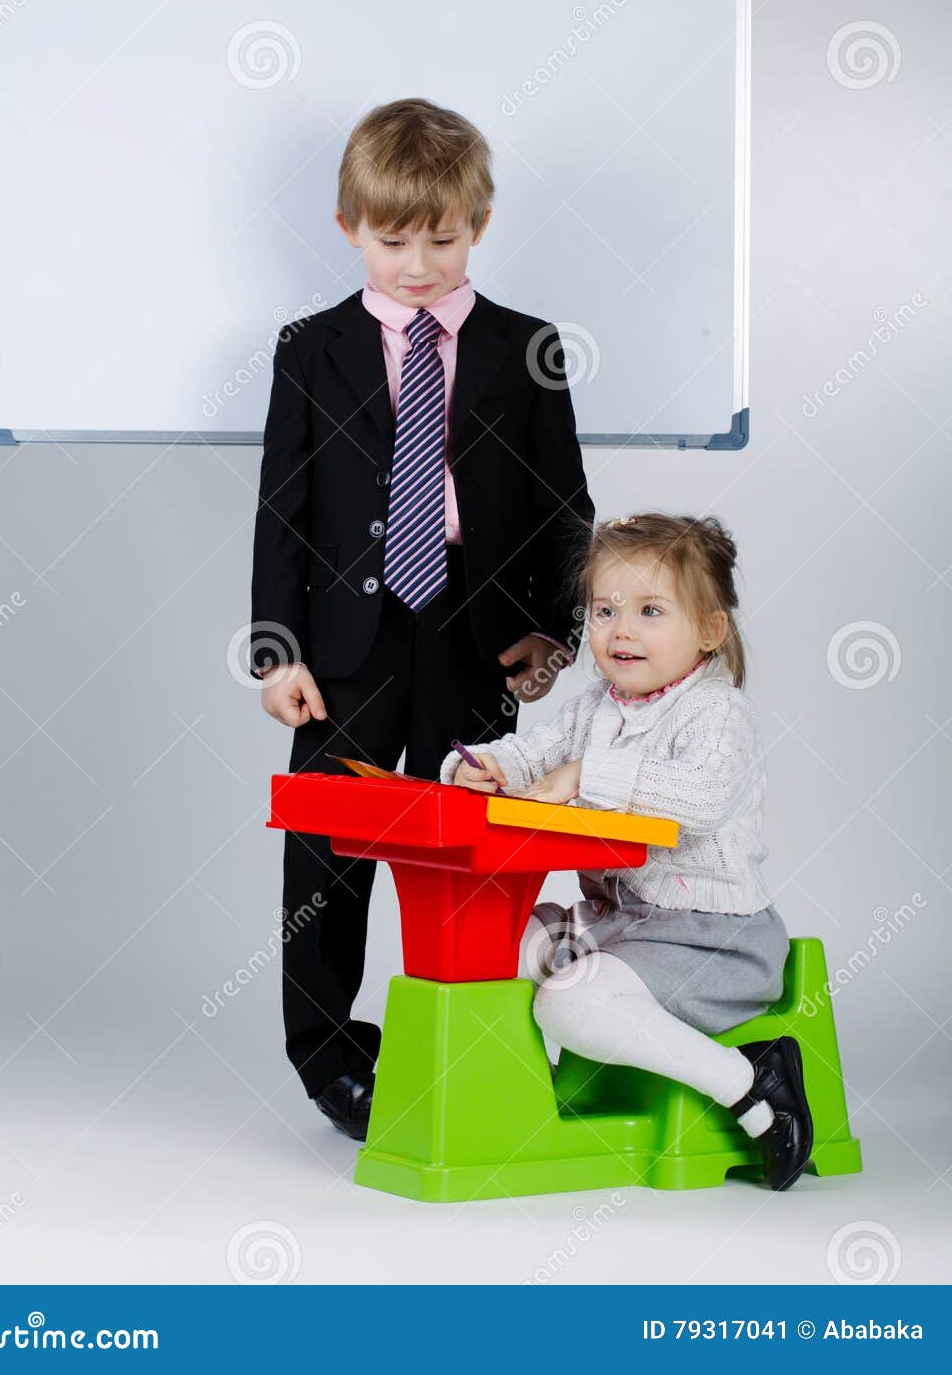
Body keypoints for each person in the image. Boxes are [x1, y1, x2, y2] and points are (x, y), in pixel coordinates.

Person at [250, 97, 595, 1139]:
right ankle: (331, 1059)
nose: (416, 263)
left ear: (476, 226)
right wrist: (278, 652)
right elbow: (283, 508)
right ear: (352, 225)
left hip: (469, 629)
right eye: (393, 240)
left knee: (473, 852)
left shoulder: (526, 347)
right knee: (330, 853)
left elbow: (562, 504)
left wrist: (554, 633)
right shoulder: (310, 349)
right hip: (344, 646)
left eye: (440, 239)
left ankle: (475, 1037)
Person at [442, 512, 814, 1190]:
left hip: (710, 941)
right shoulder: (595, 705)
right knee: (485, 937)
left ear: (708, 630)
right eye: (605, 610)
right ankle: (507, 1101)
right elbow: (531, 756)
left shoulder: (716, 712)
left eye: (649, 610)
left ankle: (751, 1082)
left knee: (569, 1004)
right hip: (617, 927)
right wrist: (482, 767)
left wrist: (585, 777)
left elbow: (696, 801)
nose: (621, 630)